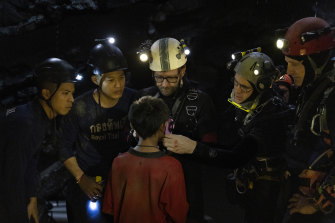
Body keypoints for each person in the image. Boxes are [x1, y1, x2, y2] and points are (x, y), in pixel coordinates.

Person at [163, 51, 294, 223]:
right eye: (235, 83)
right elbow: (234, 146)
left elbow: (235, 157)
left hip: (268, 189)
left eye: (244, 87)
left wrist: (193, 148)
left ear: (260, 88)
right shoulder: (256, 103)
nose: (237, 91)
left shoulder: (268, 117)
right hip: (256, 178)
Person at [137, 37, 217, 223]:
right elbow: (128, 141)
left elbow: (212, 148)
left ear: (183, 71)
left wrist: (192, 147)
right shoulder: (143, 98)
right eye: (159, 77)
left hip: (188, 183)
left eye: (171, 78)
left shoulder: (200, 101)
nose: (164, 84)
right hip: (151, 182)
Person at [59, 41, 137, 223]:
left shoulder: (133, 99)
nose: (118, 84)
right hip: (90, 179)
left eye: (121, 77)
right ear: (96, 80)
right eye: (111, 80)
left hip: (125, 179)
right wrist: (82, 179)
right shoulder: (79, 107)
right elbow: (63, 147)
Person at [0, 58, 76, 223]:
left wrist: (32, 198)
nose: (72, 99)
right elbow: (11, 181)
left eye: (72, 93)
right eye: (65, 93)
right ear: (46, 93)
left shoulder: (38, 115)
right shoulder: (27, 125)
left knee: (58, 199)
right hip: (6, 191)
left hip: (13, 182)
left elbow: (31, 159)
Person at [274, 17, 335, 222]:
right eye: (287, 63)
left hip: (312, 208)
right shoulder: (312, 88)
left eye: (294, 64)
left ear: (315, 62)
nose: (288, 72)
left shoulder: (332, 97)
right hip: (297, 191)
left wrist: (319, 203)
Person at [102, 96, 189, 223]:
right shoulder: (172, 166)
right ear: (163, 126)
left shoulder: (118, 162)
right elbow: (178, 214)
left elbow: (109, 208)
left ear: (132, 125)